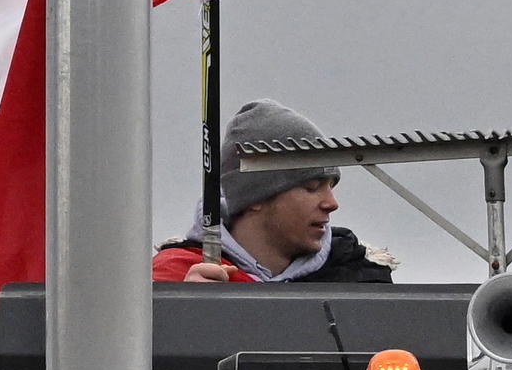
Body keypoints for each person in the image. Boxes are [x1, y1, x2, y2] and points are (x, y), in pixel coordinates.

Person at [153, 102, 393, 286]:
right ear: (255, 198)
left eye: (331, 186)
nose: (332, 203)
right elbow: (125, 346)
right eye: (312, 187)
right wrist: (179, 311)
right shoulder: (172, 279)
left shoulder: (362, 278)